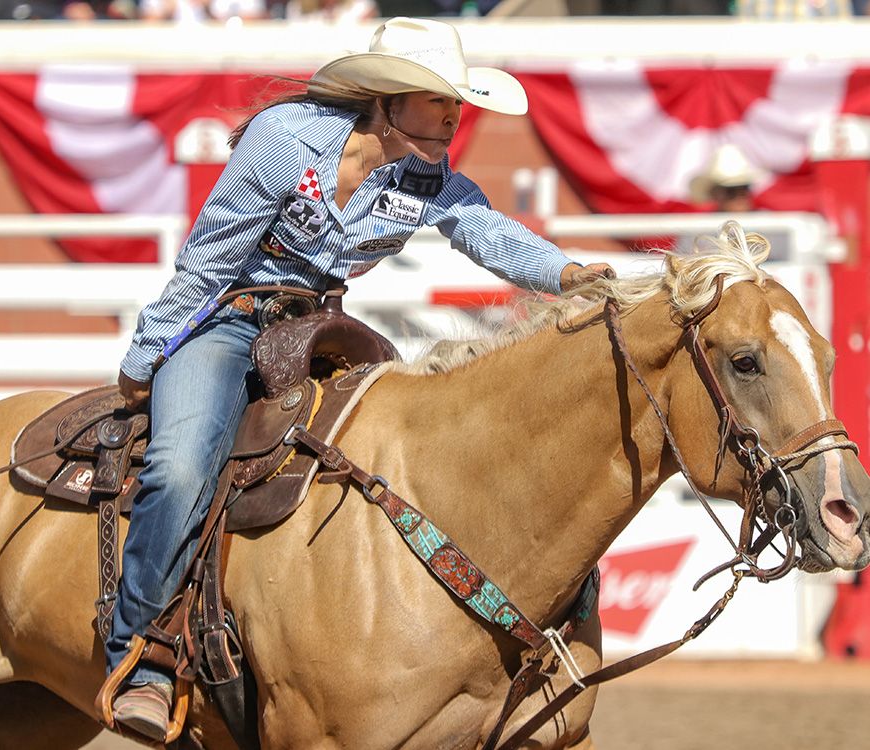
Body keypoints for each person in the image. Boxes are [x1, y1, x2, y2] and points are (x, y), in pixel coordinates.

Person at [106, 15, 614, 740]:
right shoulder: (287, 140)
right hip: (228, 320)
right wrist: (144, 359)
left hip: (318, 329)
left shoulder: (424, 176)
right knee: (181, 464)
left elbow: (482, 226)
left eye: (454, 102)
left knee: (401, 456)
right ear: (384, 100)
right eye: (434, 97)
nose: (450, 115)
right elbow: (209, 261)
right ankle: (141, 659)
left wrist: (568, 272)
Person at [688, 143, 761, 213]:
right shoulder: (706, 223)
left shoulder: (766, 220)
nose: (739, 197)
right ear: (715, 194)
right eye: (731, 191)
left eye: (745, 189)